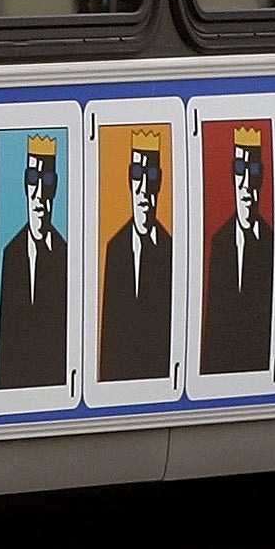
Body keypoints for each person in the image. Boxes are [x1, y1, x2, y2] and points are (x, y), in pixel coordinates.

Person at [0, 134, 69, 392]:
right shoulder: (10, 254)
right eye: (32, 179)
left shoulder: (66, 254)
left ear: (55, 187)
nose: (38, 193)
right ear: (25, 185)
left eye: (46, 181)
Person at [199, 125, 275, 376]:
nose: (246, 182)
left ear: (262, 176)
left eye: (254, 171)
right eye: (240, 169)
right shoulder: (220, 241)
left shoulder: (272, 241)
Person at [98, 132, 173, 382]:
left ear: (159, 181)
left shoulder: (171, 249)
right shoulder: (115, 248)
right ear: (130, 180)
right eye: (137, 175)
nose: (143, 188)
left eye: (150, 175)